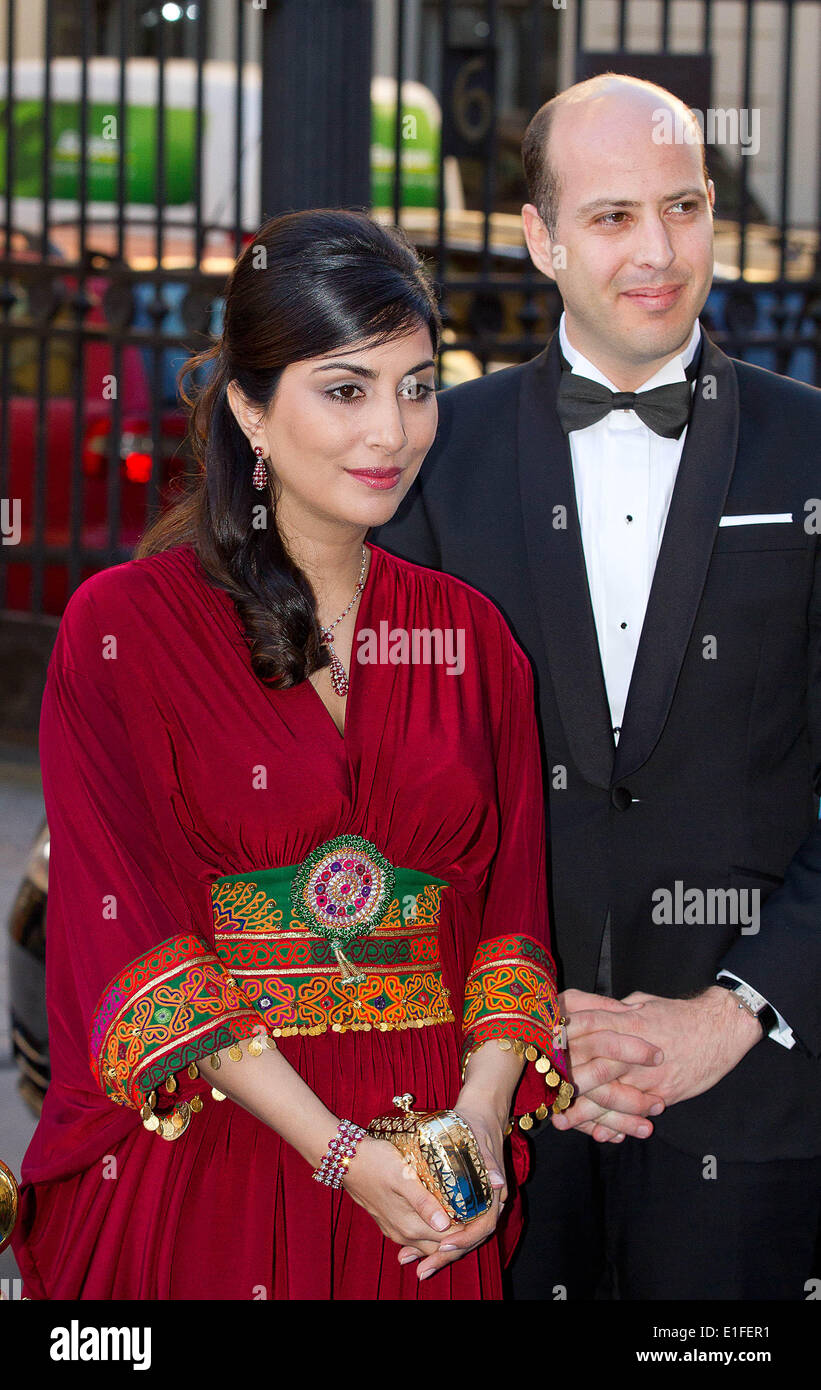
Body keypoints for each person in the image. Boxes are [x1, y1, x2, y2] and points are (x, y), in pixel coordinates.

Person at [9, 208, 571, 1301]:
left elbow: (514, 922)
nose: (395, 432)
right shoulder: (122, 629)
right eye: (346, 388)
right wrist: (333, 1151)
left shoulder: (472, 637)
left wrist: (477, 1125)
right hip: (220, 1152)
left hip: (424, 1184)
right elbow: (133, 937)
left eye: (417, 387)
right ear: (250, 411)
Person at [372, 74, 821, 1300]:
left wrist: (728, 1015)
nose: (657, 251)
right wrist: (528, 1030)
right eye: (614, 216)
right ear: (541, 238)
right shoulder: (424, 459)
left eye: (682, 208)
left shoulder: (809, 448)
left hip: (755, 1101)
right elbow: (390, 792)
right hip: (496, 1094)